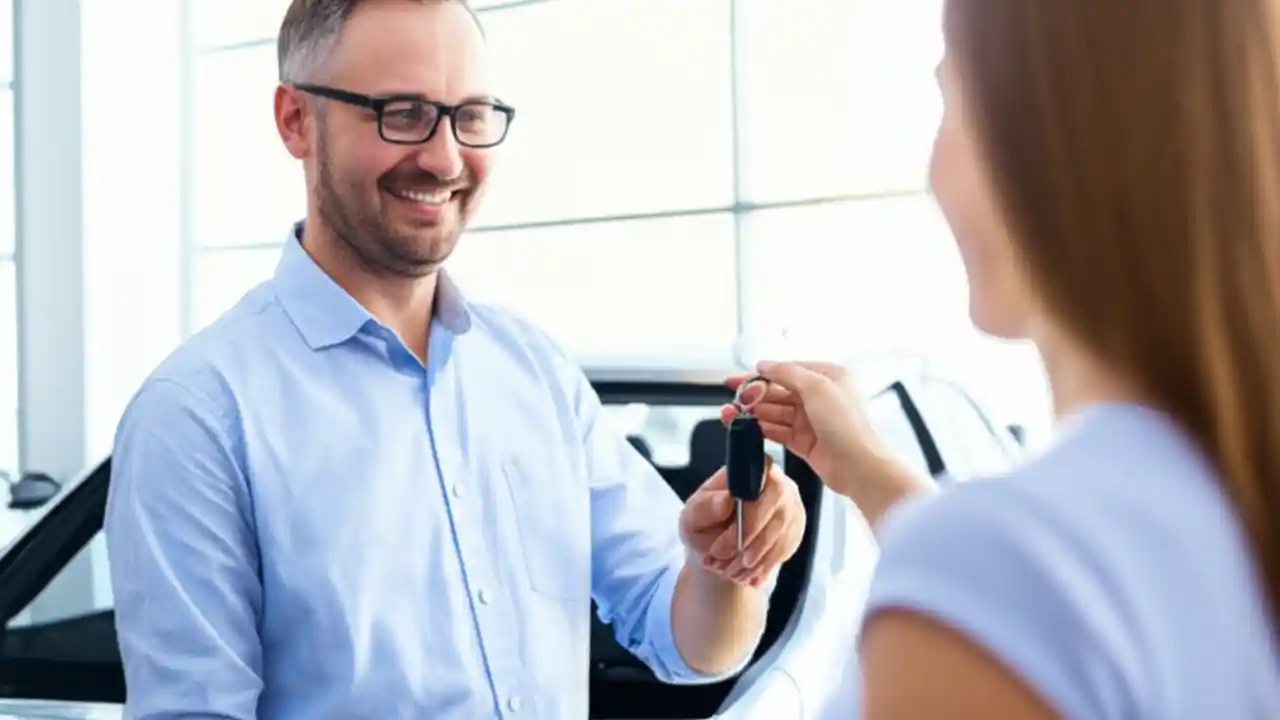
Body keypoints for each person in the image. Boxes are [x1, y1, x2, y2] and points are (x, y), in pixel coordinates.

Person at [103, 1, 805, 718]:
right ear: (295, 120)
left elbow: (688, 643)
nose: (444, 159)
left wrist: (733, 560)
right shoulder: (196, 416)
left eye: (469, 116)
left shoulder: (534, 371)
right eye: (402, 114)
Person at [726, 0, 1280, 717]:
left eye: (952, 101)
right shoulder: (1222, 502)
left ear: (1045, 135)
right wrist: (863, 468)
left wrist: (943, 548)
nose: (932, 169)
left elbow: (1022, 588)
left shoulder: (1003, 570)